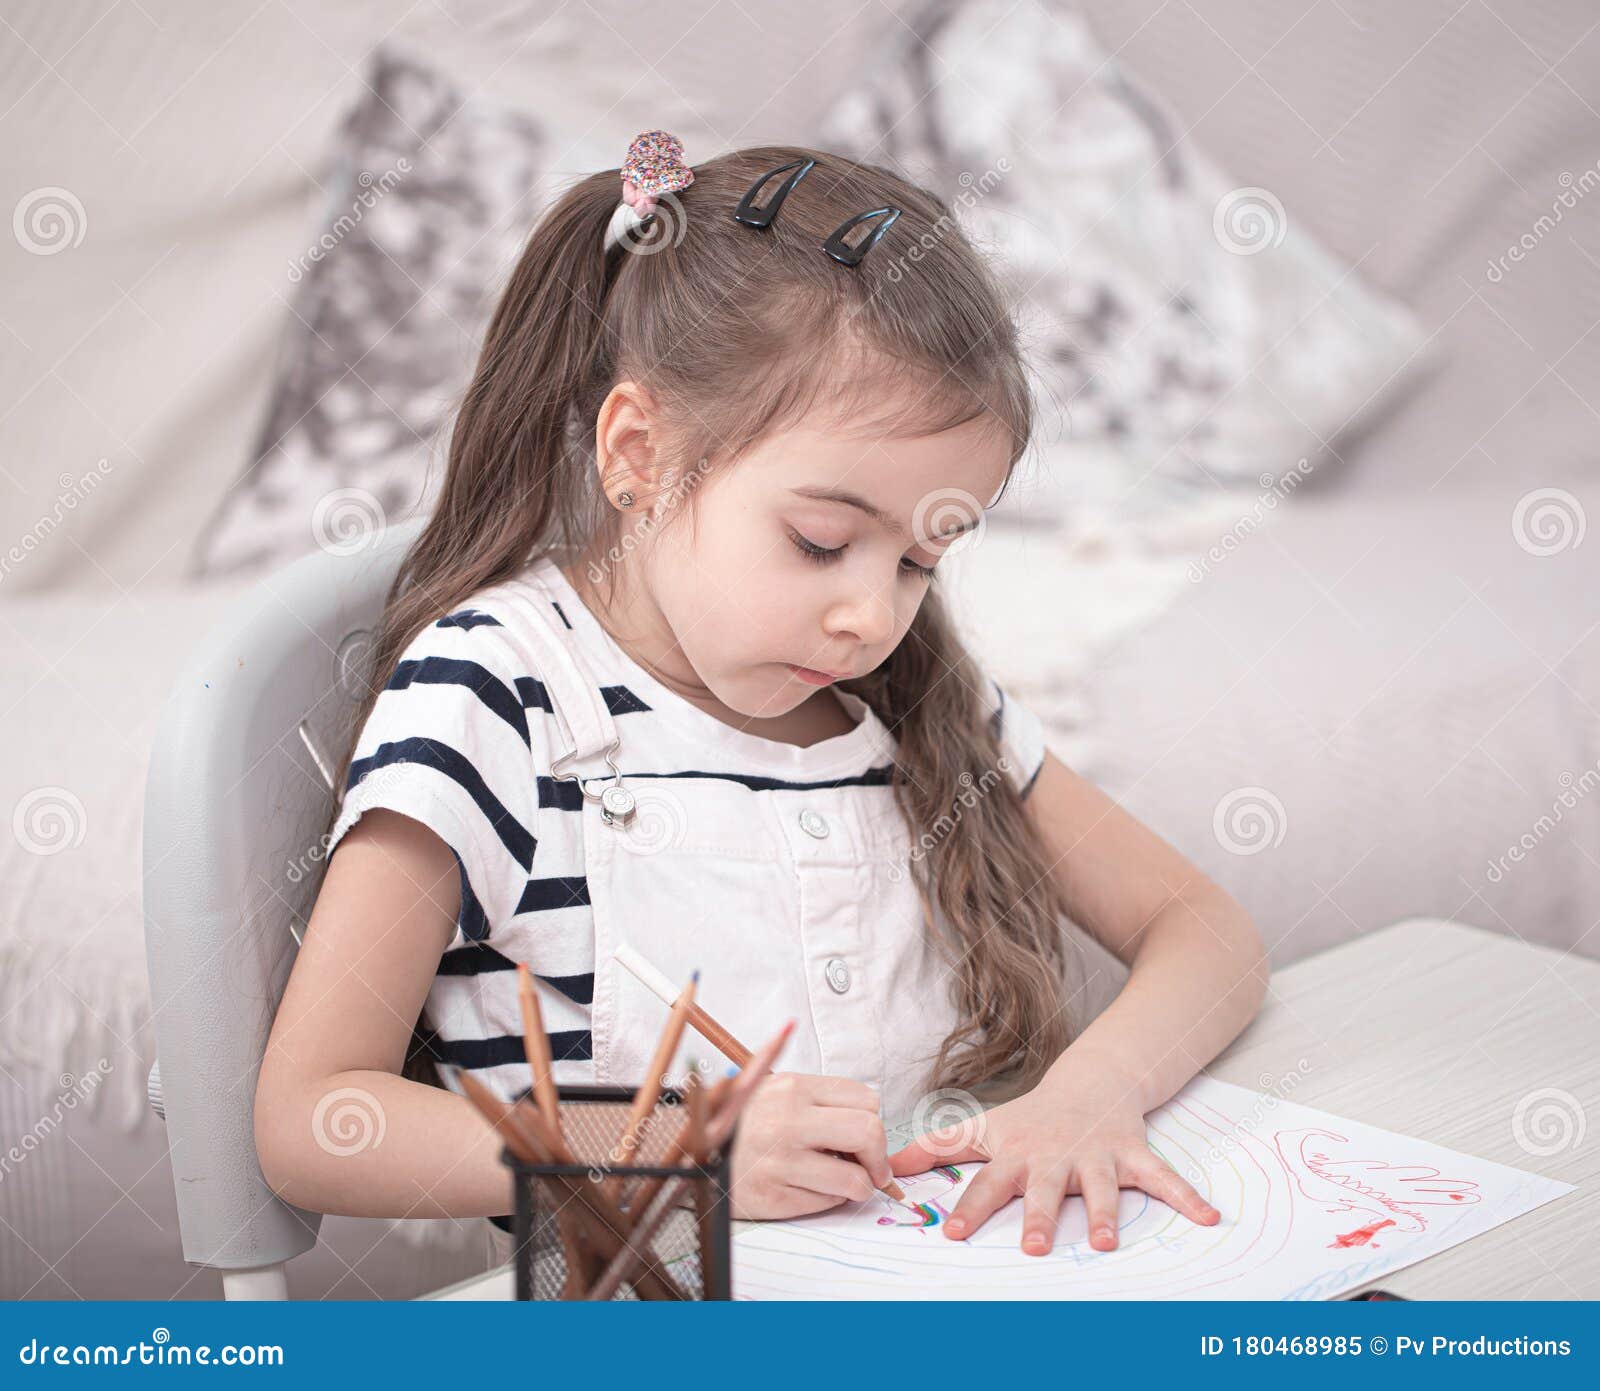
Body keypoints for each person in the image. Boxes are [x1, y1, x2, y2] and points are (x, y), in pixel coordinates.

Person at [254, 132, 1267, 1260]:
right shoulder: (490, 695)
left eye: (920, 558)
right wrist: (682, 1142)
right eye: (820, 539)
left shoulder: (914, 699)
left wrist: (1097, 1087)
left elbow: (1205, 931)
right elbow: (312, 1118)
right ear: (638, 452)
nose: (873, 617)